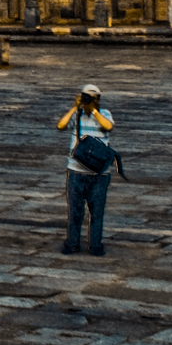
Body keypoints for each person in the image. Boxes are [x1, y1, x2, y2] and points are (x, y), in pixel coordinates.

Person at [58, 85, 116, 256]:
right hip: (76, 170)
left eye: (92, 97)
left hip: (99, 173)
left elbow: (108, 127)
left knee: (97, 212)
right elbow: (60, 125)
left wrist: (95, 111)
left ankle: (95, 244)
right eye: (86, 96)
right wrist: (76, 107)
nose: (88, 100)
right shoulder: (77, 114)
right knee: (75, 211)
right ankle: (72, 242)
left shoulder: (104, 113)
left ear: (98, 99)